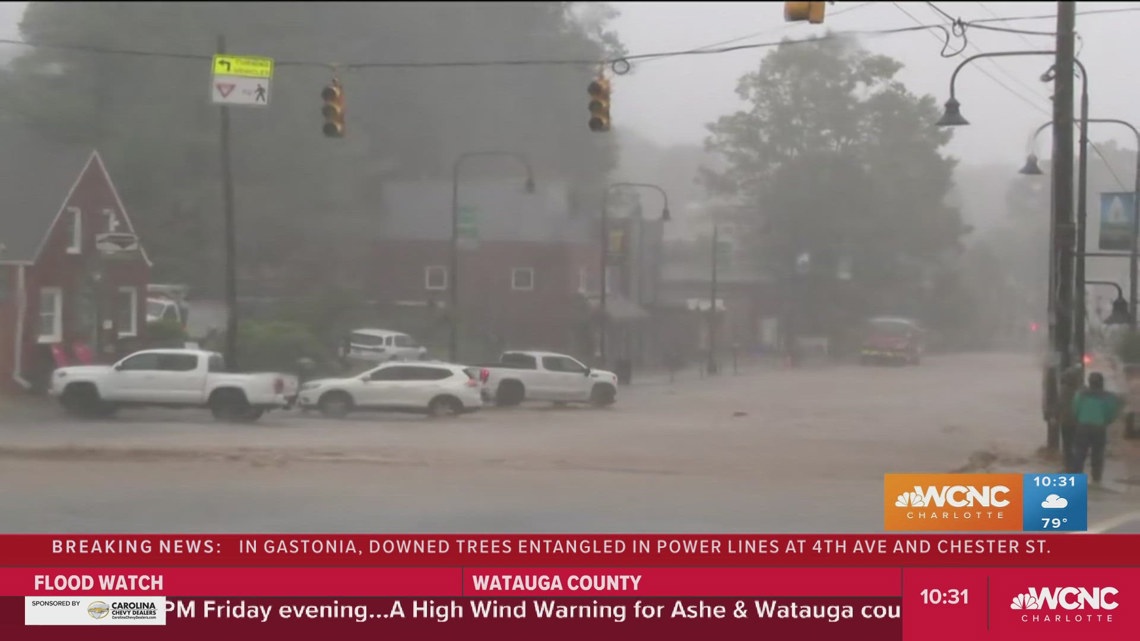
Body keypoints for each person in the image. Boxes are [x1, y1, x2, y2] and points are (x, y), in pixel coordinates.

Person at [1069, 372, 1122, 486]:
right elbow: (1112, 413)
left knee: (1080, 452)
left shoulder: (1081, 394)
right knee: (1097, 453)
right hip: (1099, 427)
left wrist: (1079, 419)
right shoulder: (1108, 397)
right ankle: (1096, 478)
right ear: (1102, 383)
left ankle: (1076, 477)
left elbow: (1075, 409)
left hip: (1083, 426)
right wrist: (1106, 421)